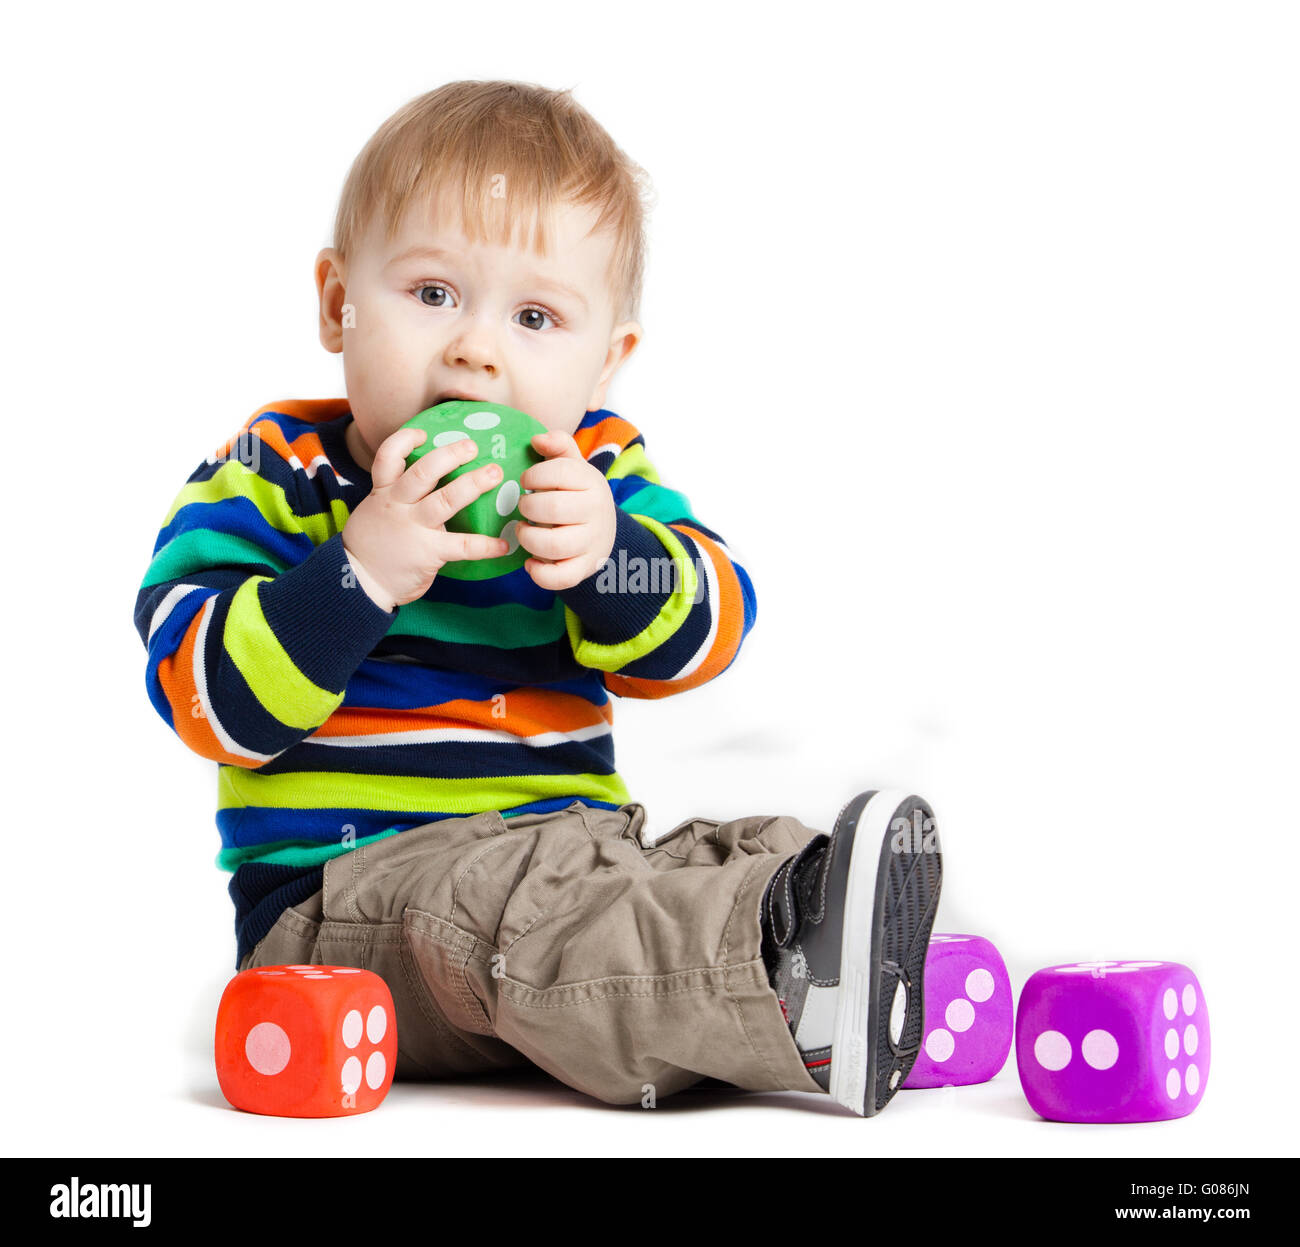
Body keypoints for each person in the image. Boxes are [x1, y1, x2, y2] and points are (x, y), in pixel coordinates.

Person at [134, 79, 941, 1115]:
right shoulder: (271, 475)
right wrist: (360, 570)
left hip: (570, 851)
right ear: (338, 303)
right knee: (547, 923)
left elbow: (714, 623)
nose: (476, 348)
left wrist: (609, 556)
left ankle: (850, 940)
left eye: (534, 316)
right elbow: (206, 699)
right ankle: (791, 985)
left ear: (605, 363)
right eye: (433, 294)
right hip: (346, 903)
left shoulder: (590, 472)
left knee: (696, 857)